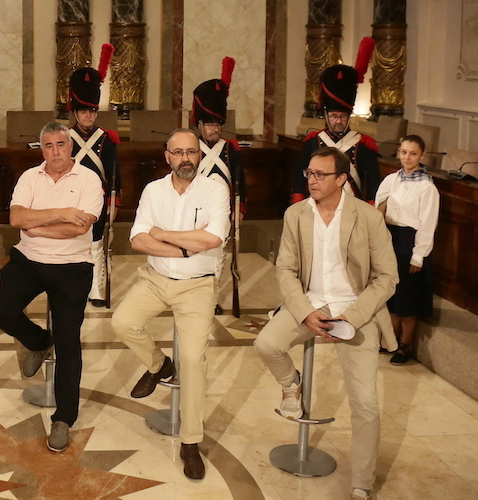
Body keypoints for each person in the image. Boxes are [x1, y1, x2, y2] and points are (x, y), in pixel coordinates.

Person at [254, 146, 398, 500]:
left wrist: (351, 317)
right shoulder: (295, 214)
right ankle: (292, 384)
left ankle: (362, 480)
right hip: (310, 303)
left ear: (341, 179)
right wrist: (304, 311)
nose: (312, 180)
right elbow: (285, 270)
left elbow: (387, 278)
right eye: (309, 173)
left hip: (354, 310)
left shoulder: (368, 217)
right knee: (266, 344)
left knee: (365, 403)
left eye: (320, 175)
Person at [110, 129, 229, 479]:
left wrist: (162, 234)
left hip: (197, 286)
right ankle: (159, 364)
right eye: (178, 153)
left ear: (200, 155)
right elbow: (137, 240)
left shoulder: (215, 189)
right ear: (168, 157)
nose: (185, 159)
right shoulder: (153, 190)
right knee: (122, 322)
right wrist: (184, 248)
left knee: (193, 359)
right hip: (156, 279)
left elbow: (214, 237)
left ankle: (191, 442)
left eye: (191, 152)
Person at [0, 121, 104, 453]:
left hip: (73, 266)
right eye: (49, 146)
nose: (55, 152)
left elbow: (77, 231)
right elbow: (16, 220)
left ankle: (63, 419)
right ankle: (40, 340)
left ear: (71, 147)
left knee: (69, 340)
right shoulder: (29, 178)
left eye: (61, 145)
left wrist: (39, 224)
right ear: (42, 149)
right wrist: (64, 213)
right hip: (29, 260)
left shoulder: (89, 180)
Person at [374, 134, 439, 366]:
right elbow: (378, 206)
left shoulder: (427, 187)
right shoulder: (392, 179)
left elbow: (428, 224)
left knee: (408, 299)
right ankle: (390, 340)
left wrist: (419, 255)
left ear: (422, 155)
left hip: (410, 241)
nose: (407, 157)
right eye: (403, 152)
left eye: (413, 153)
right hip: (390, 239)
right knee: (392, 294)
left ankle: (406, 345)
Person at [292, 38, 381, 205]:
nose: (338, 121)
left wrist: (372, 205)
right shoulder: (313, 141)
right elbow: (300, 174)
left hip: (352, 205)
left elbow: (373, 179)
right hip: (318, 204)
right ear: (326, 116)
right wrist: (297, 200)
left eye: (342, 116)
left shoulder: (364, 144)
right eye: (334, 116)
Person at [66, 45, 120, 307]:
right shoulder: (65, 138)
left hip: (97, 201)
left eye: (92, 111)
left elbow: (114, 173)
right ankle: (76, 287)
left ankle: (96, 288)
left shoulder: (106, 140)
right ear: (75, 111)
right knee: (74, 244)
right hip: (71, 198)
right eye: (84, 111)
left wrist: (114, 202)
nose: (89, 116)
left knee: (96, 244)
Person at [191, 57, 246, 314]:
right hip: (192, 211)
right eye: (210, 124)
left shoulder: (231, 150)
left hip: (221, 212)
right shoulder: (190, 148)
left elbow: (239, 182)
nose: (214, 129)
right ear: (200, 124)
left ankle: (211, 297)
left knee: (218, 257)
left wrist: (240, 210)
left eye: (217, 124)